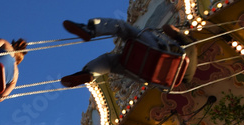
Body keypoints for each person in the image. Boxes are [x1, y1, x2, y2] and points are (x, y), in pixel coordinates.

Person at [59, 18, 195, 88]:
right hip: (149, 75)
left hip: (156, 53)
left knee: (121, 27)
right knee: (111, 63)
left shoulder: (192, 47)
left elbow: (167, 29)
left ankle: (90, 30)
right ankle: (88, 74)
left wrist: (176, 31)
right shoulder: (187, 76)